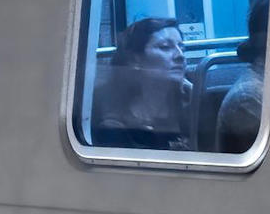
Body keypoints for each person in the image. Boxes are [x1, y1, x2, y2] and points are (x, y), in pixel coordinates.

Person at [83, 15, 207, 151]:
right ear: (135, 59)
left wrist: (199, 99)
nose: (180, 56)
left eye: (182, 48)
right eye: (165, 47)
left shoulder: (193, 104)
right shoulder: (112, 120)